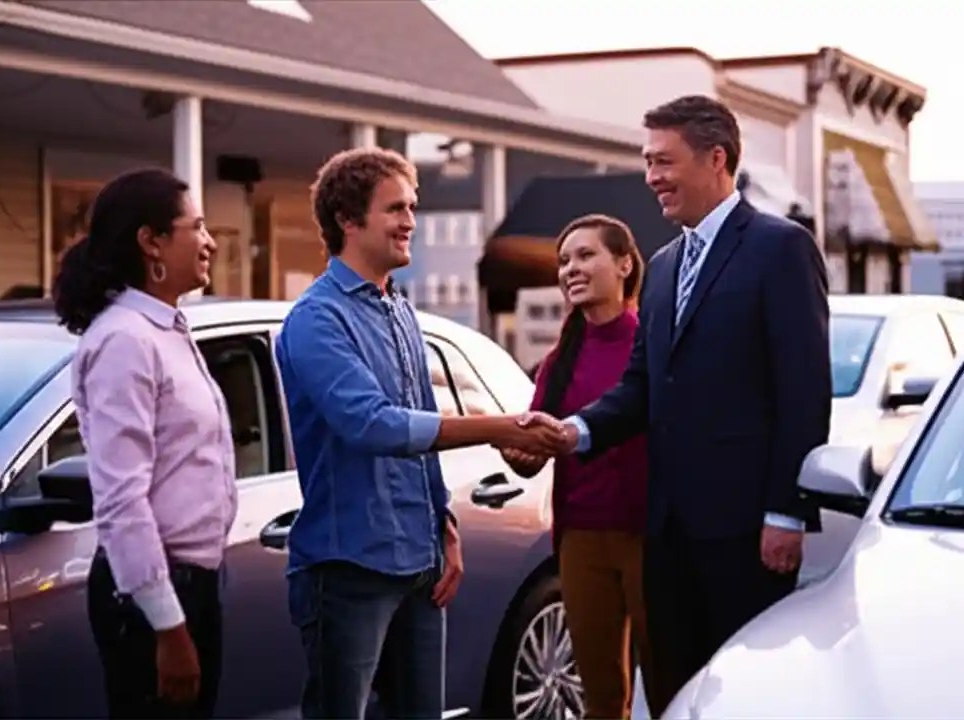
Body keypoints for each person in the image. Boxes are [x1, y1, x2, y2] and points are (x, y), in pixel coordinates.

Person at [524, 95, 832, 715]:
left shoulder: (780, 248)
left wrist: (787, 515)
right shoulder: (663, 268)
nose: (651, 177)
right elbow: (642, 386)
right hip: (665, 536)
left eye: (663, 161)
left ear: (716, 159)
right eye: (647, 161)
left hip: (745, 534)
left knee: (745, 697)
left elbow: (802, 391)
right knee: (677, 695)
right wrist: (576, 431)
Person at [275, 147, 569, 720]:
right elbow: (373, 424)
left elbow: (419, 422)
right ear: (347, 219)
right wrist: (499, 427)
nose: (410, 220)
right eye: (396, 209)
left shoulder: (400, 311)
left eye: (412, 206)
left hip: (419, 558)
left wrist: (444, 524)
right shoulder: (316, 319)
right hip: (349, 565)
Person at [54, 168, 236, 719]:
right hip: (152, 597)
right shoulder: (125, 340)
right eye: (196, 227)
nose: (209, 242)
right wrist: (169, 626)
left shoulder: (165, 328)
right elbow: (120, 499)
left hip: (193, 583)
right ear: (151, 241)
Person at [500, 214, 664, 719]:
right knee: (600, 696)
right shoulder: (559, 359)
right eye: (564, 260)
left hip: (651, 537)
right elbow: (535, 449)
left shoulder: (654, 344)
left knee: (668, 685)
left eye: (586, 255)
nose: (571, 268)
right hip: (580, 538)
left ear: (625, 265)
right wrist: (518, 454)